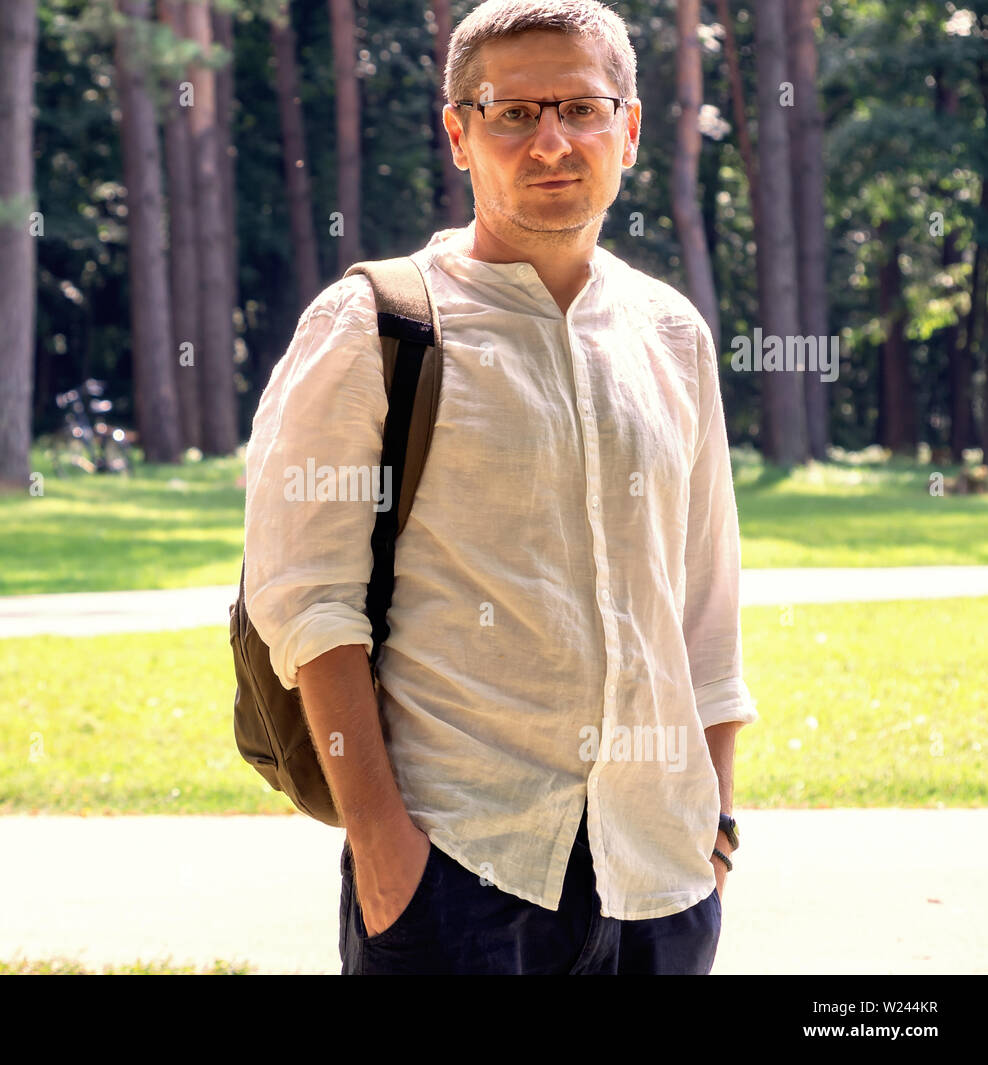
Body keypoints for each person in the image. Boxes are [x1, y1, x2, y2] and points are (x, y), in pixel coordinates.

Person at [243, 0, 757, 975]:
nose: (552, 141)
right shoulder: (374, 325)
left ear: (630, 130)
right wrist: (385, 852)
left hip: (662, 877)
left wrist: (717, 831)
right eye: (513, 113)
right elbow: (307, 607)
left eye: (582, 108)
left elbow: (705, 611)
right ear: (459, 134)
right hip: (459, 873)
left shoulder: (672, 334)